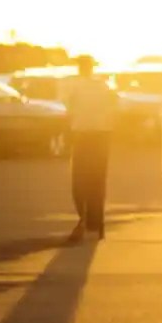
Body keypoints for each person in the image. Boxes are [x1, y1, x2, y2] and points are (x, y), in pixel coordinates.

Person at [63, 55, 119, 243]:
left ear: (80, 68)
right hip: (102, 135)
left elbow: (68, 110)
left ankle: (84, 220)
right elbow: (115, 105)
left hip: (82, 135)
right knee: (98, 180)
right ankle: (97, 224)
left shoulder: (74, 86)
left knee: (80, 181)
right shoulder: (104, 85)